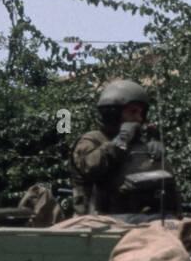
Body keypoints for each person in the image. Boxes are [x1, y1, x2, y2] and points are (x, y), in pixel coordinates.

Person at [69, 80, 174, 216]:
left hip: (136, 220)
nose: (139, 118)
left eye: (141, 113)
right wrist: (121, 140)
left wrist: (155, 154)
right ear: (112, 113)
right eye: (133, 112)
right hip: (95, 223)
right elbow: (91, 167)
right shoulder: (91, 140)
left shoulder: (139, 142)